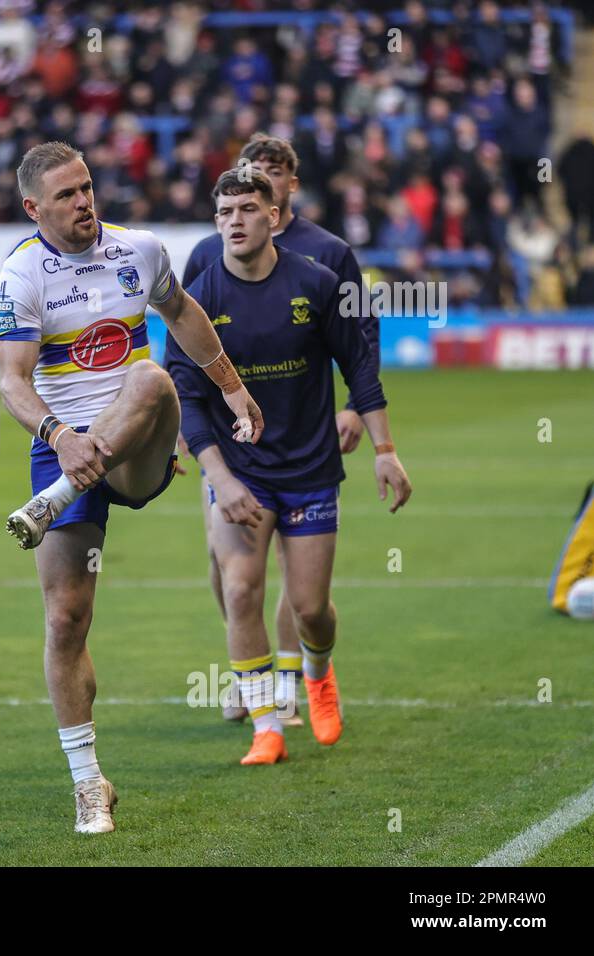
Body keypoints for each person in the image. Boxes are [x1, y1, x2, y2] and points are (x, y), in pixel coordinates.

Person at [0, 141, 263, 834]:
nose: (84, 201)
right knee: (65, 619)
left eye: (86, 186)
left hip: (137, 450)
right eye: (66, 195)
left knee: (149, 376)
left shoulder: (139, 250)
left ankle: (52, 501)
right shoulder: (20, 274)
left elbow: (183, 317)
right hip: (65, 448)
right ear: (34, 208)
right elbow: (12, 381)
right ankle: (89, 784)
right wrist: (61, 438)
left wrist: (233, 390)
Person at [168, 168, 411, 766]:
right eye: (224, 213)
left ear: (274, 217)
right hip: (239, 472)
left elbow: (359, 367)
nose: (235, 222)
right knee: (242, 588)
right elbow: (186, 394)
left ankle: (319, 675)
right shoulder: (198, 299)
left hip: (309, 467)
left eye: (248, 210)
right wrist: (218, 477)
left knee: (309, 609)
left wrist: (384, 451)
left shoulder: (318, 282)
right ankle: (266, 725)